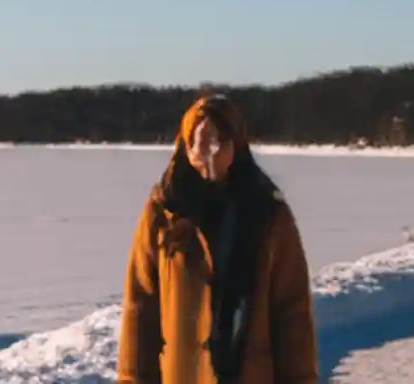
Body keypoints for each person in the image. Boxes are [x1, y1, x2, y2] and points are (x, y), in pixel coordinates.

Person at [116, 94, 318, 384]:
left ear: (236, 145)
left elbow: (292, 313)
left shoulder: (268, 215)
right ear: (186, 146)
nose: (208, 151)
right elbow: (140, 308)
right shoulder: (164, 213)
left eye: (218, 140)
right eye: (199, 141)